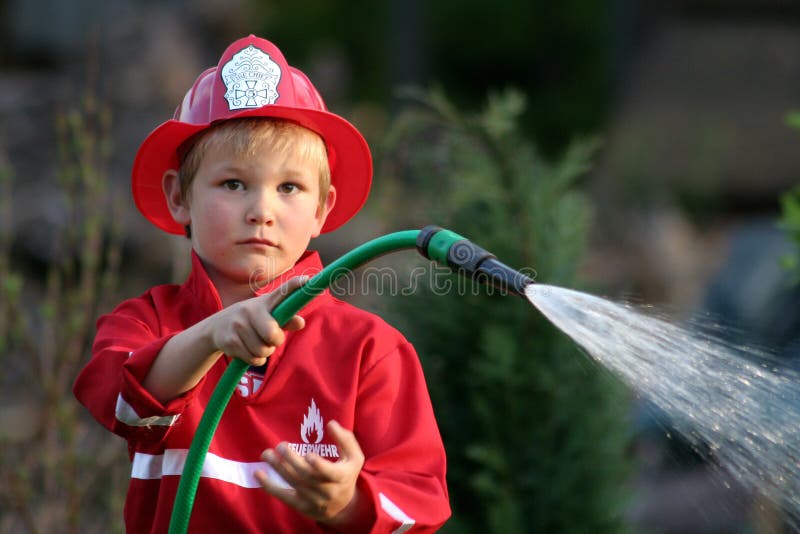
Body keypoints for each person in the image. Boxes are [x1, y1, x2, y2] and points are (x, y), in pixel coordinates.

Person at [74, 34, 450, 532]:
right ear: (178, 197)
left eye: (289, 187)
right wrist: (213, 334)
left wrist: (348, 504)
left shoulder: (371, 350)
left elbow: (419, 501)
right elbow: (126, 406)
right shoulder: (145, 322)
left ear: (322, 209)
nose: (261, 212)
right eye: (233, 184)